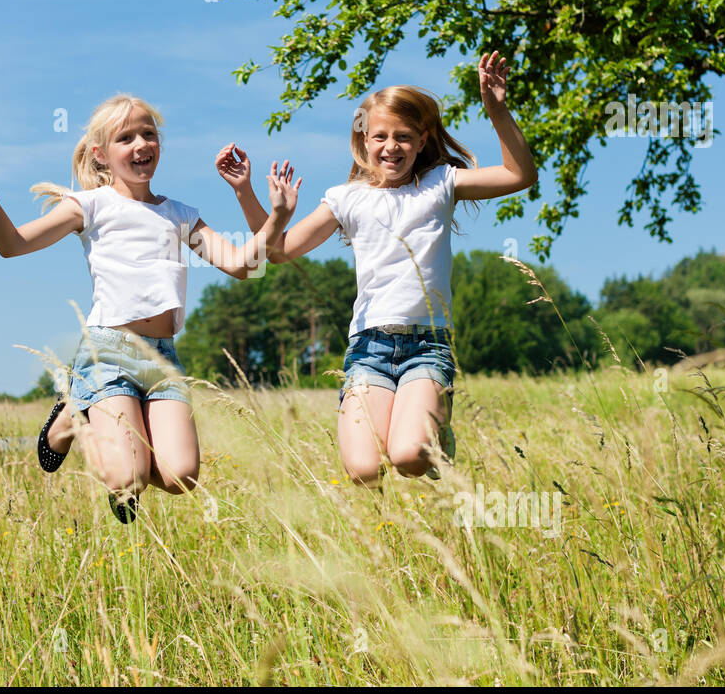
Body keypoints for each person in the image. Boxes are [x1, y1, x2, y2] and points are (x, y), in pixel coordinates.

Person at [0, 93, 300, 522]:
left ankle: (82, 413)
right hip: (108, 352)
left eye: (148, 134)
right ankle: (73, 417)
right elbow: (11, 245)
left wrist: (273, 214)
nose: (141, 144)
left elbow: (242, 266)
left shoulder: (180, 214)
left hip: (162, 357)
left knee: (182, 476)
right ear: (101, 154)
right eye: (125, 138)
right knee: (129, 477)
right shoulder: (90, 206)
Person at [220, 52, 536, 484]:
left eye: (404, 136)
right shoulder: (346, 197)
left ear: (423, 140)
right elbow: (278, 251)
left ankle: (438, 435)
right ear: (364, 140)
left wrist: (497, 110)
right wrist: (251, 198)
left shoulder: (440, 184)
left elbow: (520, 175)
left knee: (408, 457)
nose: (392, 147)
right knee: (364, 470)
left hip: (428, 345)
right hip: (368, 348)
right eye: (381, 136)